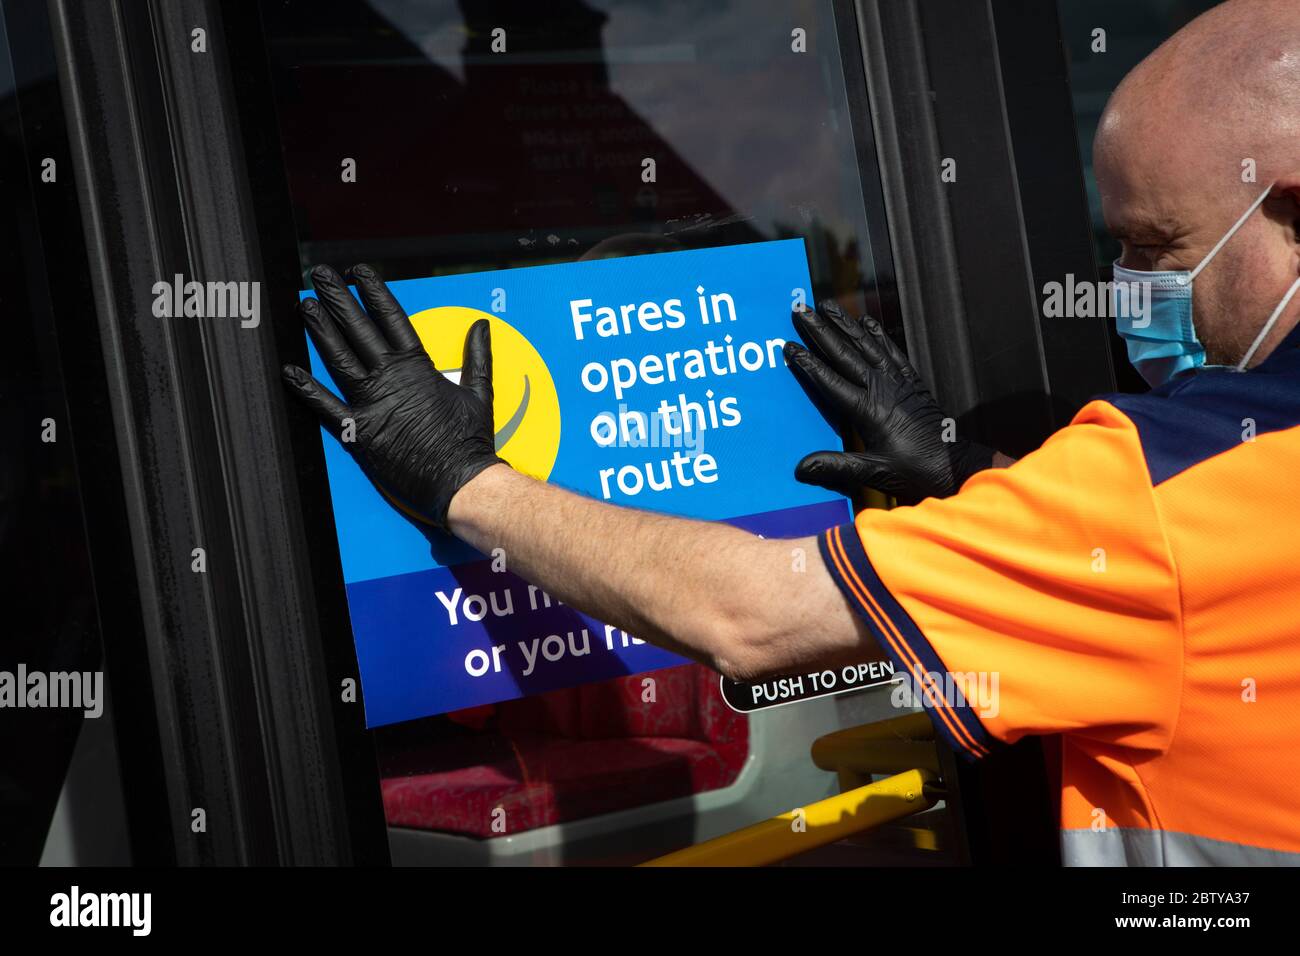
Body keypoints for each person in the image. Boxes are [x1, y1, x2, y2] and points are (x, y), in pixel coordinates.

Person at [281, 0, 1300, 866]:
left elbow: (752, 618)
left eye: (1156, 244)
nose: (1132, 288)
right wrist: (967, 482)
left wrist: (464, 478)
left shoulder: (1172, 482)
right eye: (1115, 246)